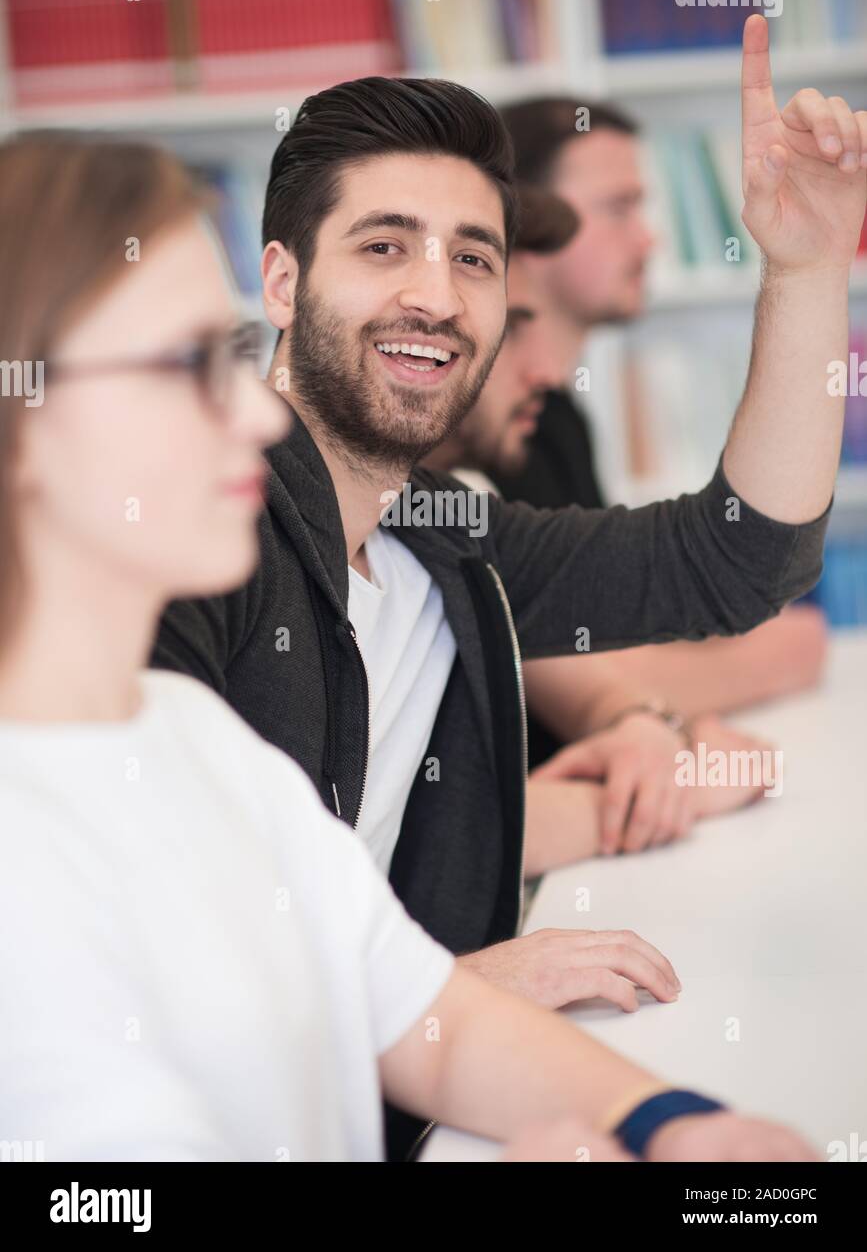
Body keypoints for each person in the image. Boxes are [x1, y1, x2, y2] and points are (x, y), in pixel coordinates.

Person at [0, 133, 819, 1165]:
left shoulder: (194, 736)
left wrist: (679, 1124)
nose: (254, 410)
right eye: (185, 364)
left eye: (475, 260)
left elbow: (420, 1011)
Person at [492, 92, 830, 820]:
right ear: (527, 228)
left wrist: (646, 716)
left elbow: (612, 634)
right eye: (618, 208)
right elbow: (540, 658)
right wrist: (755, 665)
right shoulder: (476, 446)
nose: (647, 240)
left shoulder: (555, 420)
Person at [426, 183, 776, 872]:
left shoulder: (450, 507)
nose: (548, 371)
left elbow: (581, 664)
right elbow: (387, 855)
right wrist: (667, 789)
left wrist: (641, 724)